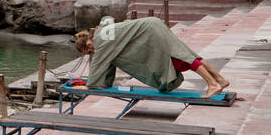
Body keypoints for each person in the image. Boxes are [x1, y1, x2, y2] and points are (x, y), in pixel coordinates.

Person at [74, 17, 231, 99]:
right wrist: (104, 84)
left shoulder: (101, 38)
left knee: (180, 57)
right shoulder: (102, 33)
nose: (92, 54)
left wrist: (89, 85)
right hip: (151, 28)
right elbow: (109, 62)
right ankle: (220, 80)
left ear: (88, 44)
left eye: (90, 52)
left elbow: (99, 63)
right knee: (185, 53)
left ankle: (212, 84)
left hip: (151, 31)